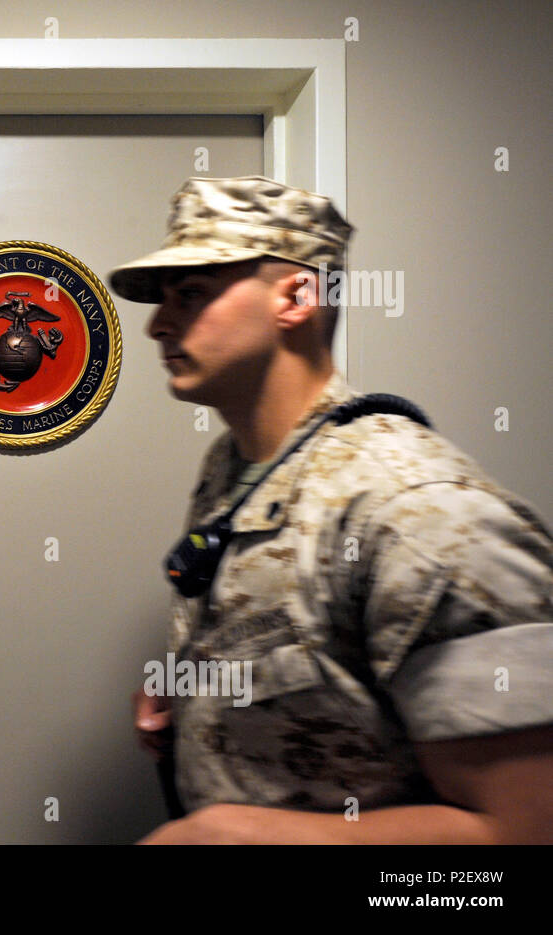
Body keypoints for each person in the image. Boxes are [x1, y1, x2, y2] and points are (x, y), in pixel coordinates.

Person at [107, 175, 553, 843]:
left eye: (191, 293)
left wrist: (239, 836)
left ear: (296, 296)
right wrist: (201, 692)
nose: (156, 324)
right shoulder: (232, 470)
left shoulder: (422, 511)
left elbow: (520, 838)